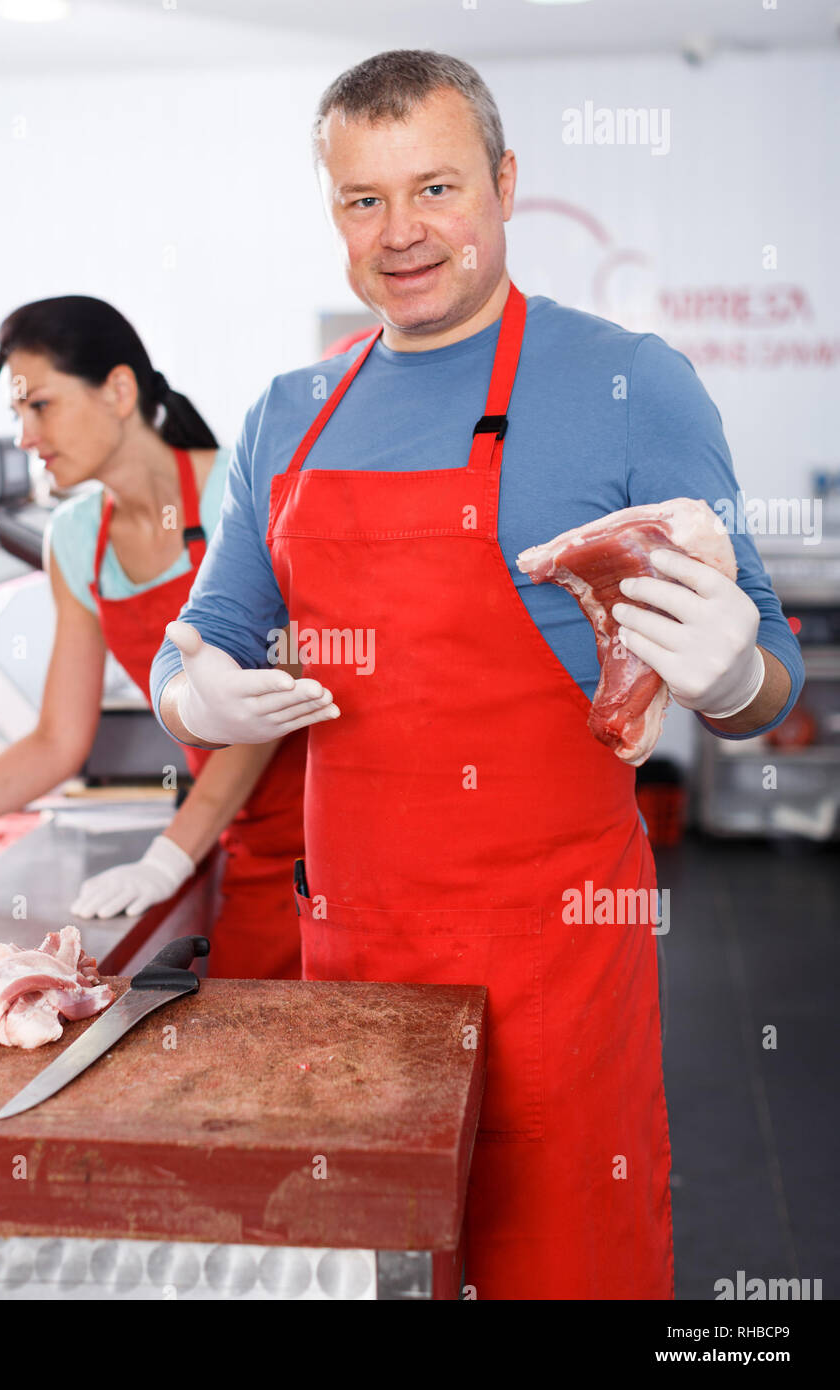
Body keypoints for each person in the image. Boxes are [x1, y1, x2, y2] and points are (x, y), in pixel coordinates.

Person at [148, 51, 805, 1298]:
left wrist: (729, 684)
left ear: (506, 186)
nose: (402, 233)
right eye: (363, 200)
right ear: (332, 211)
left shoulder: (628, 384)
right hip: (352, 967)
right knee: (380, 1273)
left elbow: (771, 671)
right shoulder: (289, 412)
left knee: (559, 1265)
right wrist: (194, 693)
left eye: (436, 187)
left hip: (556, 960)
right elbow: (209, 630)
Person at [0, 296, 307, 981]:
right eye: (16, 414)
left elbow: (274, 701)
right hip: (235, 831)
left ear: (119, 390)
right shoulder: (73, 539)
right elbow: (57, 742)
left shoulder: (240, 490)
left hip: (327, 821)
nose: (25, 436)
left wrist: (171, 854)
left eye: (40, 405)